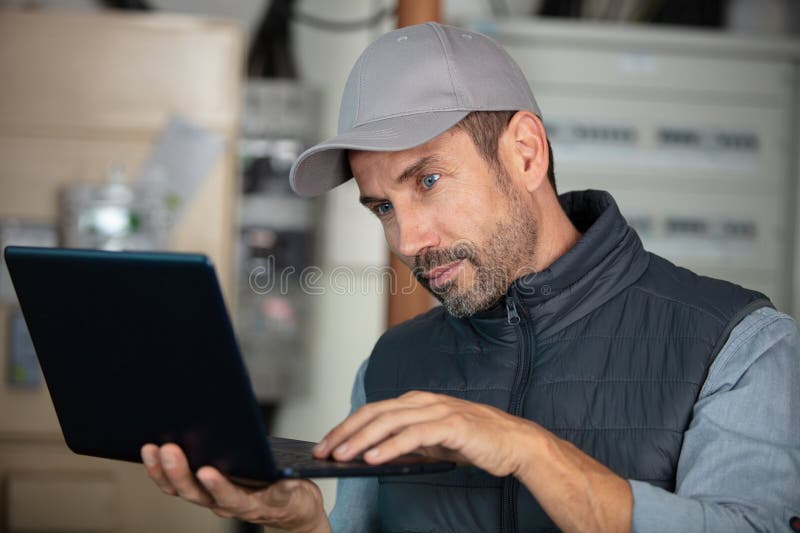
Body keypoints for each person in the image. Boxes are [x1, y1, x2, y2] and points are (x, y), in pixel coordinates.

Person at [140, 22, 800, 532]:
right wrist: (306, 520)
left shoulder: (738, 345)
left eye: (427, 180)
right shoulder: (390, 367)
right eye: (383, 207)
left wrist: (527, 449)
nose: (408, 240)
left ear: (524, 152)